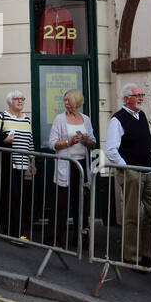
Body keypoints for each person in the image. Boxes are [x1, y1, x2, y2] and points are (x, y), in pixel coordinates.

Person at [105, 83, 151, 272]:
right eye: (136, 95)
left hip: (148, 170)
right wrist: (127, 168)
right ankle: (131, 257)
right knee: (132, 214)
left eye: (142, 94)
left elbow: (145, 143)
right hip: (131, 171)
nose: (141, 97)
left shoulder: (142, 115)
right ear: (126, 99)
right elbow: (111, 150)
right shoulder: (118, 119)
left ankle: (148, 255)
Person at [50, 89, 95, 243]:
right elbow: (52, 143)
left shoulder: (86, 119)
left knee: (80, 202)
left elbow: (93, 143)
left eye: (68, 100)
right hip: (66, 164)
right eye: (64, 100)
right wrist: (69, 142)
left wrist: (85, 140)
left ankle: (81, 237)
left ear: (76, 101)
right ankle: (56, 238)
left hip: (81, 164)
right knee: (61, 202)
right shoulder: (59, 119)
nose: (65, 103)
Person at [0, 91, 36, 241]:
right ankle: (14, 233)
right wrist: (4, 140)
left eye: (22, 99)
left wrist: (32, 161)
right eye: (17, 99)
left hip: (23, 165)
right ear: (10, 101)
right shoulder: (1, 117)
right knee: (11, 197)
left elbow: (30, 141)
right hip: (7, 163)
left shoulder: (27, 119)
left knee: (20, 198)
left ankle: (15, 232)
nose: (20, 101)